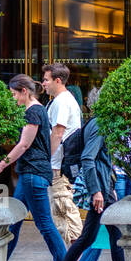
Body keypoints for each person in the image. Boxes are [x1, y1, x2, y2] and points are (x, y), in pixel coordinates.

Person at [43, 108, 128, 261]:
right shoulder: (100, 124)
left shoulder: (98, 123)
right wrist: (96, 191)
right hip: (100, 190)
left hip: (103, 188)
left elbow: (100, 161)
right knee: (105, 237)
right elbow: (88, 158)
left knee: (93, 237)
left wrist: (108, 186)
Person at [0, 74, 67, 261]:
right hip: (31, 173)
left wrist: (0, 166)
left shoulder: (32, 112)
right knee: (15, 221)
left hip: (33, 174)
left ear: (24, 91)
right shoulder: (36, 110)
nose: (13, 99)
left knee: (44, 223)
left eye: (14, 94)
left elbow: (24, 144)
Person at [42, 63, 83, 248]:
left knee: (64, 209)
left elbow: (57, 133)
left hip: (58, 165)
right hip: (58, 163)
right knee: (60, 211)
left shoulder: (62, 102)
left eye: (46, 80)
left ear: (57, 80)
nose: (43, 84)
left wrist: (46, 158)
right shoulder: (60, 100)